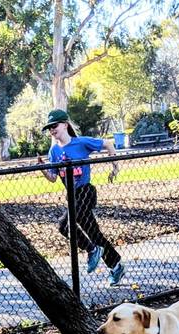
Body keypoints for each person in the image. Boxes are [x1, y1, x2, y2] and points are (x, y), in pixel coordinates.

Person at [38, 109, 126, 285]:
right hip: (71, 195)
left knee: (64, 225)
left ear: (65, 124)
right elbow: (53, 178)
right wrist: (42, 168)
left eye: (54, 126)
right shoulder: (54, 151)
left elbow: (108, 143)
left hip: (85, 191)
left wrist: (115, 167)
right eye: (49, 128)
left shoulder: (81, 143)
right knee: (93, 233)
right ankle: (116, 265)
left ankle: (92, 250)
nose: (52, 130)